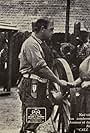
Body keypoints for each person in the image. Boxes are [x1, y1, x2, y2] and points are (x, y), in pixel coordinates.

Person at [18, 18, 72, 133]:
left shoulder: (41, 44)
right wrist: (58, 81)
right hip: (31, 85)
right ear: (42, 29)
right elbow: (41, 68)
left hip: (40, 85)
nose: (52, 33)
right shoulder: (31, 44)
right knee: (32, 118)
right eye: (51, 30)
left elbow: (51, 63)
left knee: (45, 110)